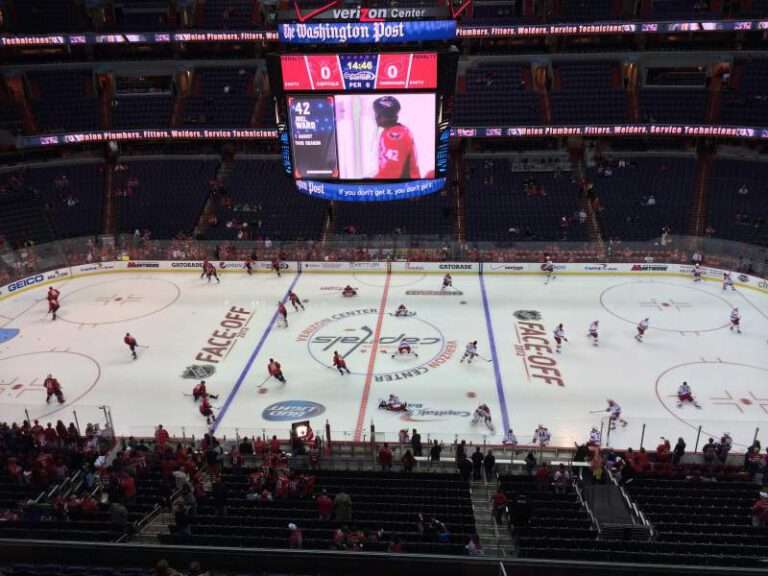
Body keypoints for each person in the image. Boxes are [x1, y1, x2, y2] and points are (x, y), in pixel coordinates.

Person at [372, 95, 420, 179]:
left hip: (404, 188)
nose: (376, 117)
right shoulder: (397, 131)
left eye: (377, 113)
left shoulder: (394, 136)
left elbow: (391, 174)